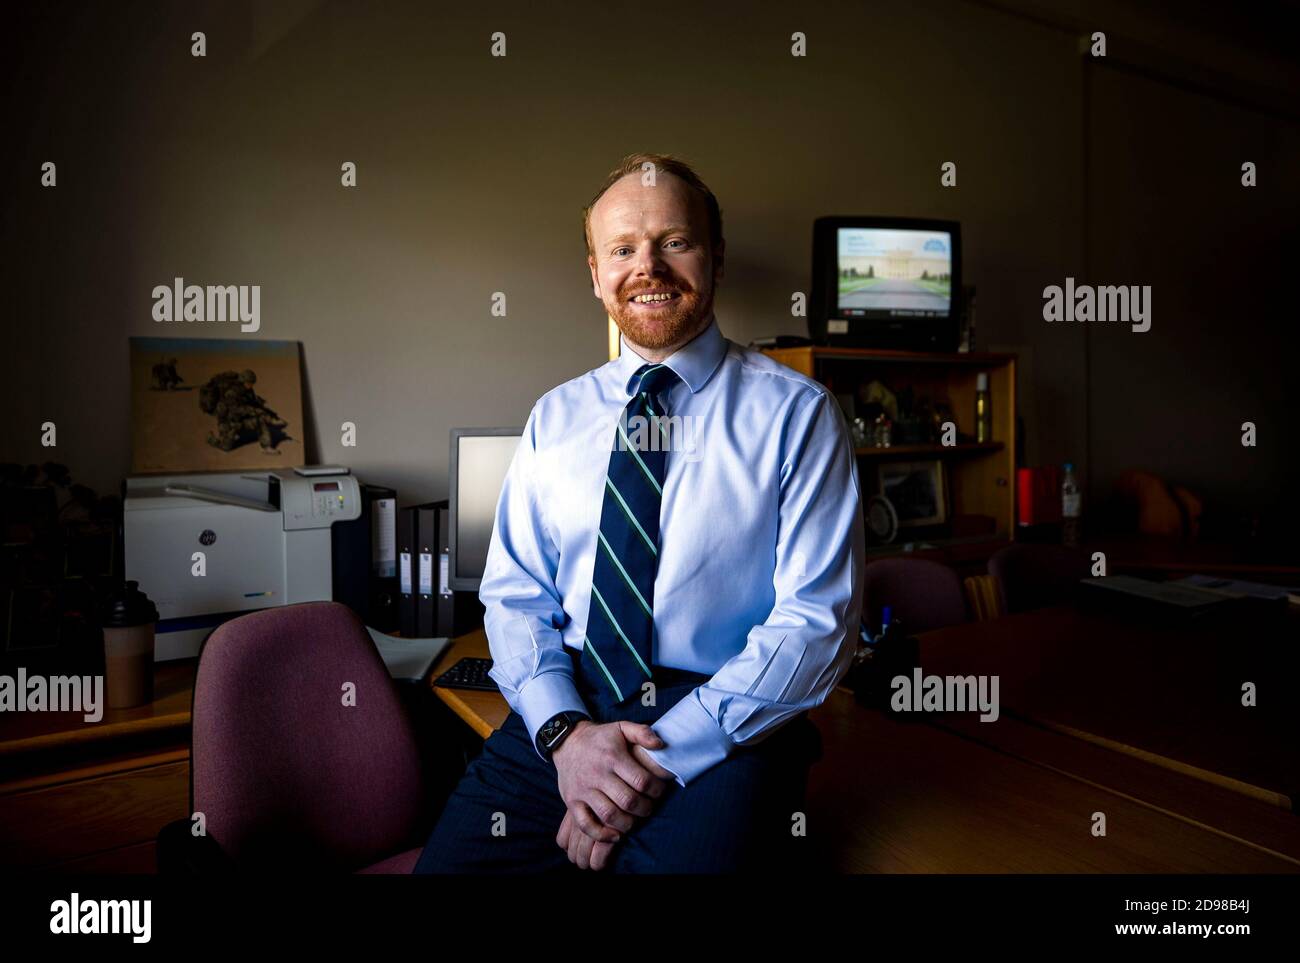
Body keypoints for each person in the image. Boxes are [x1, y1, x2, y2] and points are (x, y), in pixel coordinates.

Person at [414, 152, 864, 874]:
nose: (646, 266)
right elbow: (515, 594)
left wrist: (655, 757)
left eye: (674, 242)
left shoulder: (797, 414)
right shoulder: (555, 416)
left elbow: (814, 622)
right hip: (572, 707)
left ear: (714, 257)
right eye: (622, 248)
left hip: (728, 718)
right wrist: (566, 736)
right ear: (596, 273)